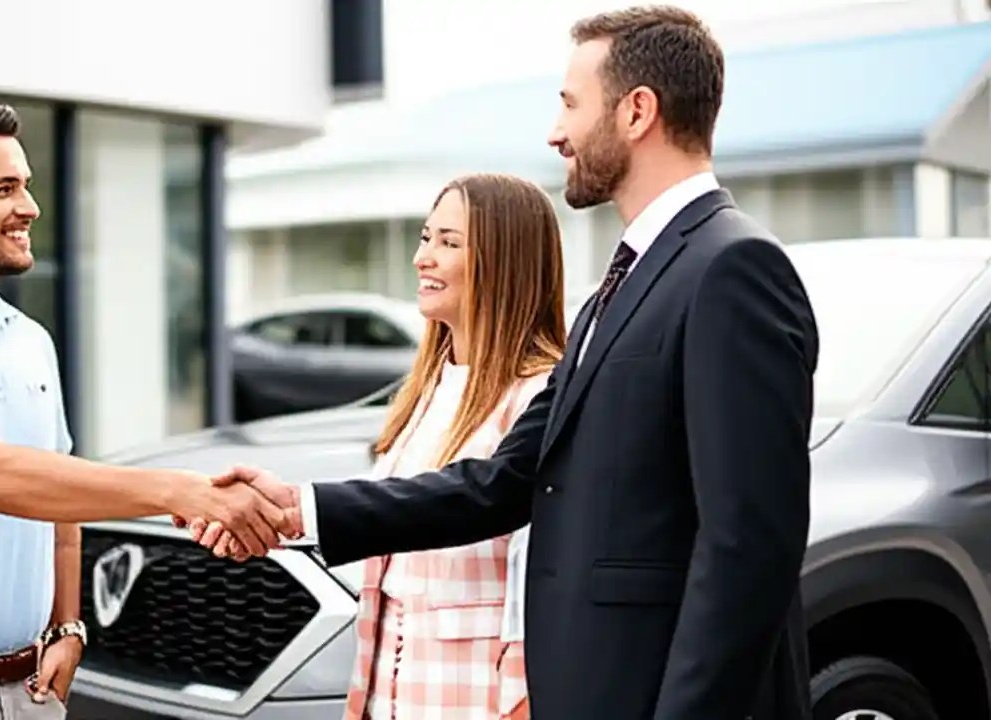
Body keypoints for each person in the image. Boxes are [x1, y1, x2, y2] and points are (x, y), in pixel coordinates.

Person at [196, 6, 819, 720]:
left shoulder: (732, 267)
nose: (556, 133)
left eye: (570, 104)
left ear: (637, 111)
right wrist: (298, 506)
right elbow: (500, 484)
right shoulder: (613, 293)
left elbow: (749, 547)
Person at [0, 101, 294, 719]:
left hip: (33, 691)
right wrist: (187, 492)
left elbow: (57, 498)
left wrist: (68, 624)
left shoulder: (29, 341)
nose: (30, 208)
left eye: (27, 186)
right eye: (4, 189)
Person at [201, 173, 565, 719]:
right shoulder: (426, 392)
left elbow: (537, 575)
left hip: (476, 704)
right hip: (391, 698)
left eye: (449, 242)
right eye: (425, 237)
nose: (423, 258)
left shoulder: (540, 394)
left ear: (505, 260)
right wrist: (263, 524)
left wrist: (523, 700)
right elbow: (391, 524)